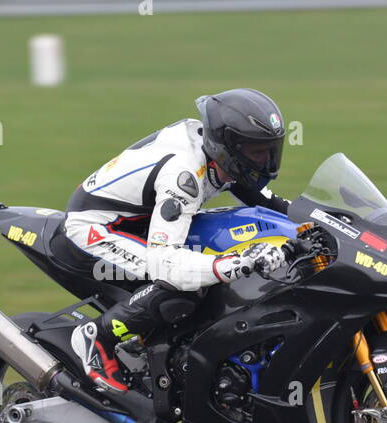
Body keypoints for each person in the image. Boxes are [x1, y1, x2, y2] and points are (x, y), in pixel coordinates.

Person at [59, 88, 292, 395]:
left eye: (270, 150)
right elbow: (165, 264)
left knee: (208, 267)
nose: (266, 161)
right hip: (96, 228)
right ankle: (96, 337)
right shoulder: (184, 176)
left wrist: (328, 218)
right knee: (186, 282)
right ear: (228, 147)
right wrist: (239, 262)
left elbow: (270, 202)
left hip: (140, 222)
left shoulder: (219, 154)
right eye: (256, 152)